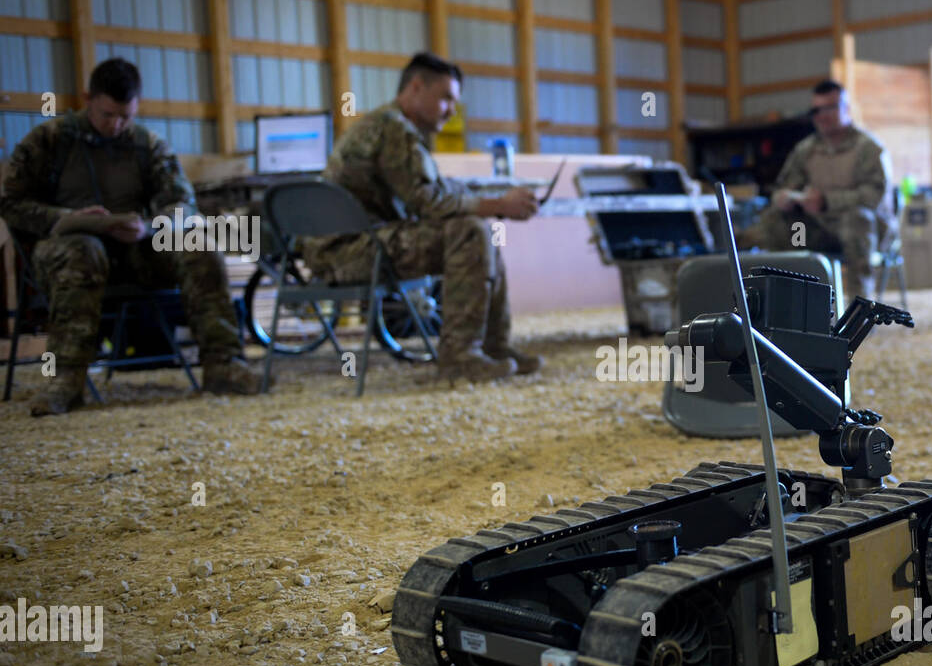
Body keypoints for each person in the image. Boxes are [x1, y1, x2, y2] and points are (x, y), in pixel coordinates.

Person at [1, 57, 262, 416]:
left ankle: (225, 365)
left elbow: (183, 203)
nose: (117, 124)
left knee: (200, 245)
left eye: (126, 116)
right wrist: (67, 218)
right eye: (107, 115)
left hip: (137, 248)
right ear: (86, 98)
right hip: (68, 250)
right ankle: (65, 381)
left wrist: (153, 226)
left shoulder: (147, 144)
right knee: (84, 250)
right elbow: (11, 203)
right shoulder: (49, 140)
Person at [302, 52, 541, 383]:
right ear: (416, 87)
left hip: (352, 246)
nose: (452, 110)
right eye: (445, 98)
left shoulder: (391, 126)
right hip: (346, 253)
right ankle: (460, 358)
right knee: (470, 231)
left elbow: (433, 189)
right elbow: (427, 202)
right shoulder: (393, 129)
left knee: (474, 227)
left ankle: (493, 347)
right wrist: (499, 204)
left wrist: (490, 202)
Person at [747, 79, 893, 303]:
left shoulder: (869, 149)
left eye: (830, 108)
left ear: (846, 109)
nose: (822, 115)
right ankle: (791, 298)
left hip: (864, 233)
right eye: (816, 110)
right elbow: (784, 187)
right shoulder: (805, 150)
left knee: (858, 220)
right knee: (776, 220)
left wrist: (827, 201)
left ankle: (860, 309)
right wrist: (785, 198)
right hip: (815, 231)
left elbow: (874, 196)